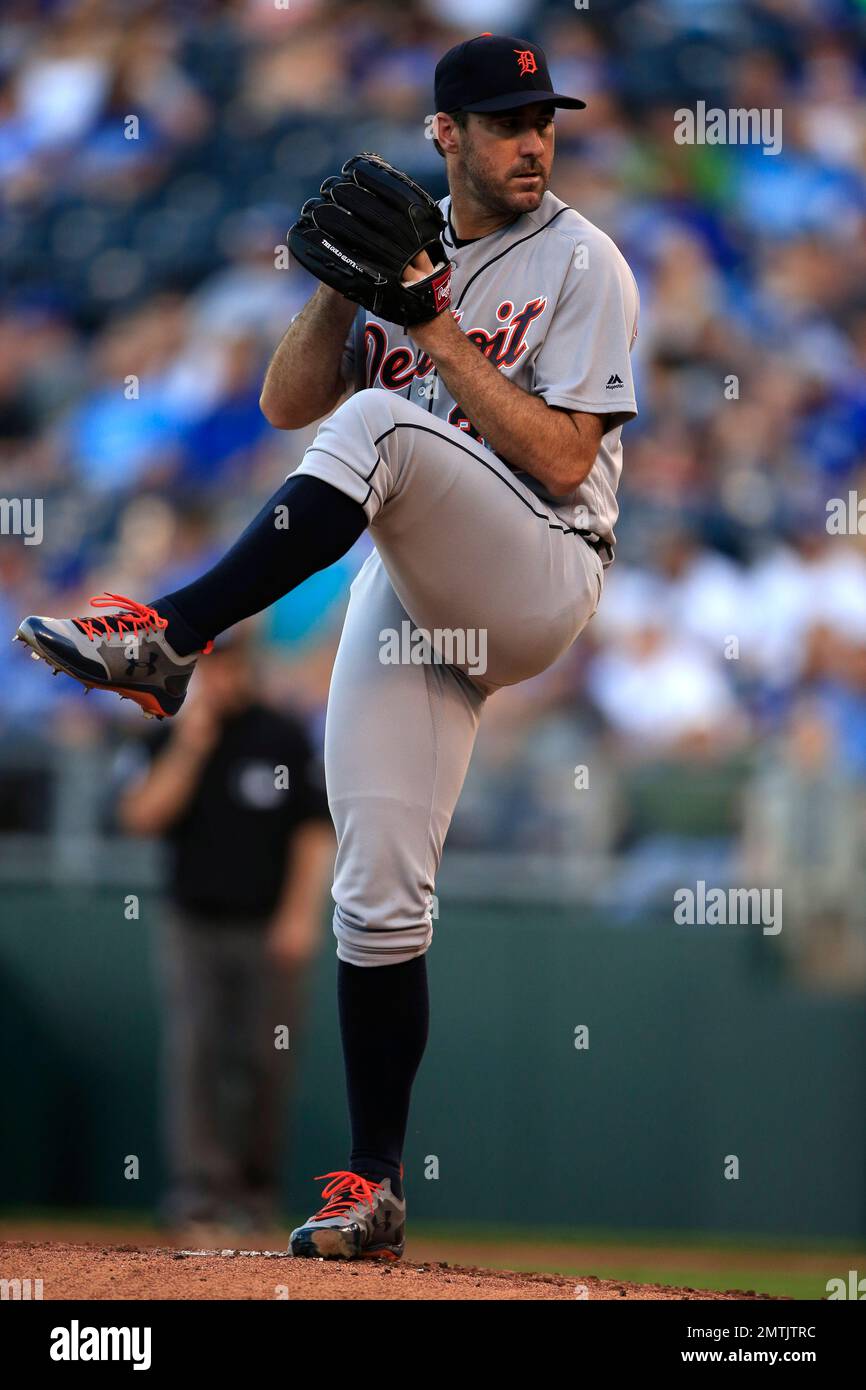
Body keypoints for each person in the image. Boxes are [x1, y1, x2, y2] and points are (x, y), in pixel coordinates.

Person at [18, 34, 639, 1260]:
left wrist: (440, 335)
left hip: (541, 565)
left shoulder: (584, 261)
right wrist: (341, 286)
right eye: (505, 120)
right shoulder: (408, 245)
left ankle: (173, 633)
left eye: (542, 118)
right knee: (377, 892)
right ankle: (374, 1184)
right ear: (443, 134)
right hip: (419, 577)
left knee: (382, 424)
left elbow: (567, 458)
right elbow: (282, 405)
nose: (533, 139)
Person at [116, 633, 333, 1245]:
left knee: (265, 1062)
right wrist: (191, 745)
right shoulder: (168, 732)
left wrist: (299, 915)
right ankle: (198, 1194)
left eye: (231, 664)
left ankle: (252, 1195)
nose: (223, 676)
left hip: (267, 926)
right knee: (197, 1054)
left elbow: (313, 830)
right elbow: (141, 817)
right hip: (193, 923)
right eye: (210, 665)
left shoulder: (281, 734)